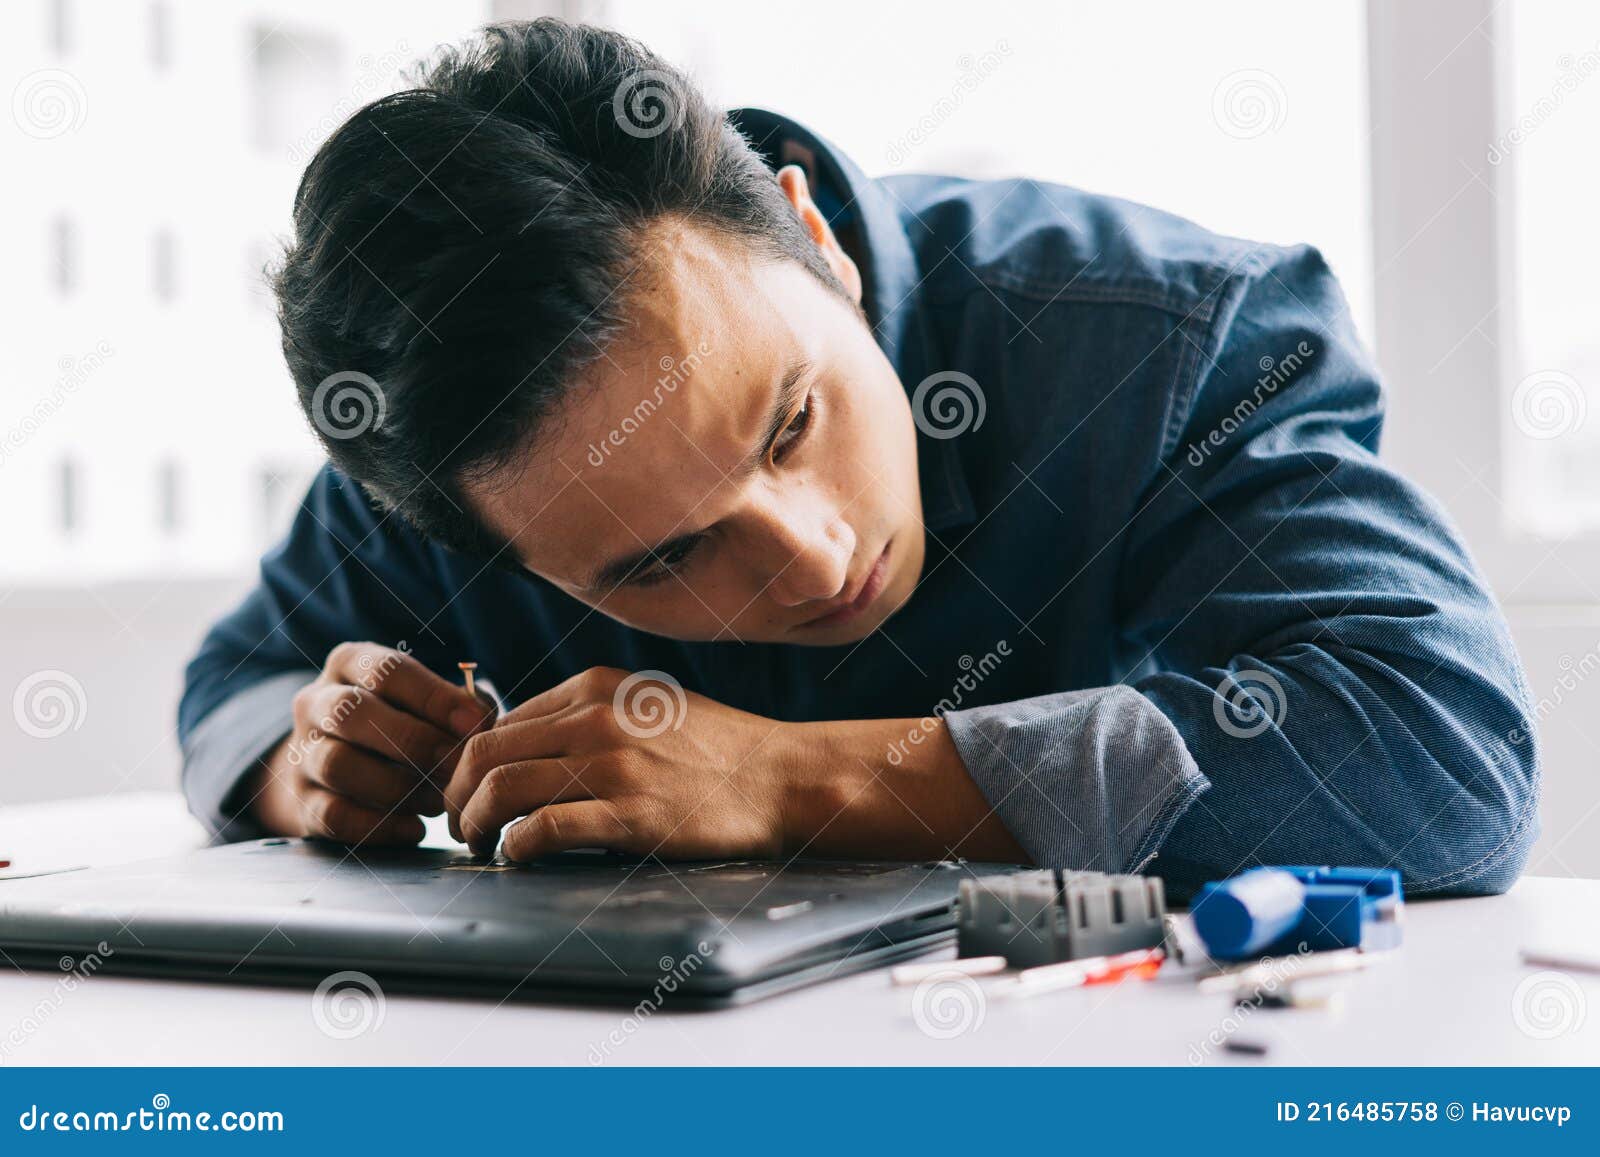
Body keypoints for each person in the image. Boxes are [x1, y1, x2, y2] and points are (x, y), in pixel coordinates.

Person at [178, 18, 1539, 897]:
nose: (818, 552)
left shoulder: (1165, 344)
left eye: (791, 423)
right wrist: (307, 761)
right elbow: (238, 680)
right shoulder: (456, 449)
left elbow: (1441, 748)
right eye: (662, 557)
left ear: (808, 237)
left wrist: (794, 778)